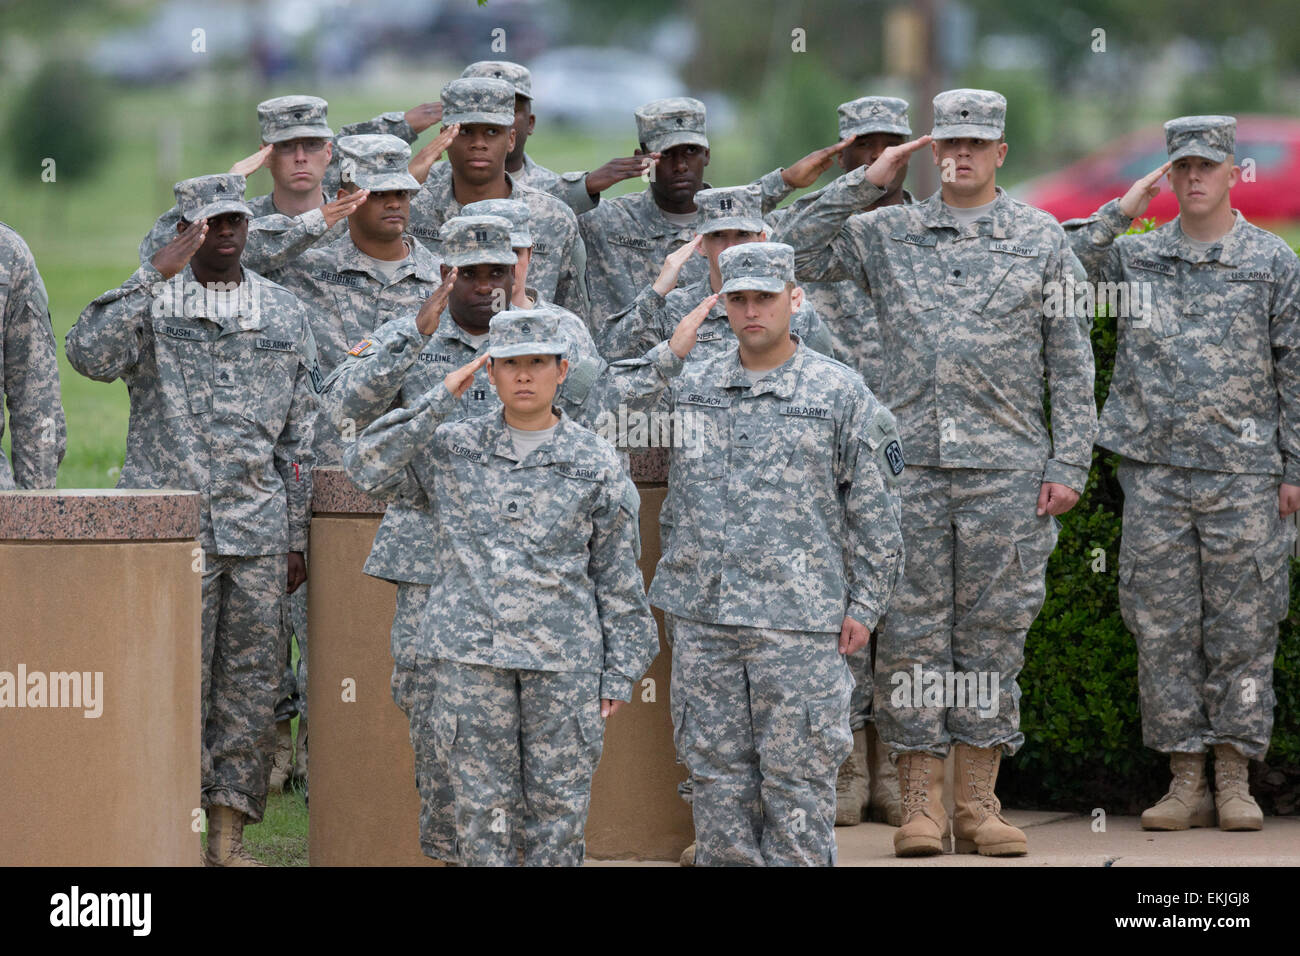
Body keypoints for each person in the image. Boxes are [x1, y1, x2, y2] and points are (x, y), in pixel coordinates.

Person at [774, 89, 1098, 857]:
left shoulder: (1041, 237)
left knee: (992, 636)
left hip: (1008, 470)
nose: (960, 155)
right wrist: (866, 177)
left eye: (976, 144)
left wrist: (1070, 459)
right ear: (930, 149)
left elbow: (1071, 359)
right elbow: (797, 245)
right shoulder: (888, 231)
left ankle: (978, 803)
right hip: (910, 467)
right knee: (914, 638)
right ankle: (919, 806)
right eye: (947, 142)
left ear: (1000, 153)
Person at [322, 214, 674, 862]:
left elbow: (616, 570)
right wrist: (443, 389)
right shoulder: (449, 435)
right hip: (457, 621)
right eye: (510, 365)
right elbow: (362, 455)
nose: (522, 375)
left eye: (537, 364)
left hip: (557, 645)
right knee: (468, 802)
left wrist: (622, 666)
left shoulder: (592, 457)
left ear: (559, 368)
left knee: (555, 817)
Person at [617, 241, 905, 865]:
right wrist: (668, 353)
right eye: (738, 298)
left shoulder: (838, 391)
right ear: (722, 302)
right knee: (716, 780)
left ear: (793, 300)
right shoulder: (690, 380)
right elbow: (599, 409)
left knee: (798, 780)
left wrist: (867, 603)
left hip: (800, 622)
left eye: (765, 298)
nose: (752, 311)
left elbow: (877, 510)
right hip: (704, 617)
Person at [66, 174, 320, 866]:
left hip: (258, 533)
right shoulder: (153, 304)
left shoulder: (284, 312)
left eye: (236, 218)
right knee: (169, 684)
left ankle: (228, 838)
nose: (227, 231)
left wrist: (298, 535)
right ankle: (164, 830)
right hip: (170, 535)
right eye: (209, 221)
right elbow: (87, 355)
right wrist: (150, 274)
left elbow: (303, 438)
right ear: (185, 228)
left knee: (251, 690)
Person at [1065, 115, 1300, 832]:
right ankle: (1183, 779)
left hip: (1246, 475)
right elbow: (1061, 266)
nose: (1194, 177)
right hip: (1159, 473)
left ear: (1234, 173)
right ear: (1168, 174)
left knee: (1245, 626)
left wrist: (1295, 466)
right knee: (1161, 625)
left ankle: (1235, 778)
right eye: (1181, 167)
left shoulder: (1273, 261)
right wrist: (1123, 209)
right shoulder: (1136, 260)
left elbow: (1295, 367)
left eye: (1207, 165)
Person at [259, 132, 439, 792]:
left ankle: (390, 777)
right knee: (323, 640)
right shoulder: (301, 271)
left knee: (399, 643)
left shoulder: (442, 279)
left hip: (419, 490)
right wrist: (311, 225)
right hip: (327, 488)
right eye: (379, 192)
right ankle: (320, 768)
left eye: (403, 193)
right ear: (345, 196)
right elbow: (213, 253)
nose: (396, 204)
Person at [767, 94, 917, 828]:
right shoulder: (822, 231)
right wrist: (844, 183)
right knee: (840, 609)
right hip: (828, 446)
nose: (875, 158)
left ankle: (893, 761)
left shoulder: (924, 225)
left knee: (906, 612)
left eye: (889, 144)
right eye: (861, 145)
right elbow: (787, 239)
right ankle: (846, 764)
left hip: (913, 446)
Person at [578, 96, 850, 352]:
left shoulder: (744, 226)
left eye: (691, 151)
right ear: (643, 157)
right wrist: (583, 188)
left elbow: (740, 210)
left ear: (707, 154)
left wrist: (786, 181)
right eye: (667, 154)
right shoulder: (609, 221)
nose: (681, 165)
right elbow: (543, 216)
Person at [139, 95, 448, 275]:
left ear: (330, 153)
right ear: (266, 154)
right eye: (286, 146)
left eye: (311, 145)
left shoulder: (357, 219)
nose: (300, 158)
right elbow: (156, 253)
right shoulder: (239, 221)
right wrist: (225, 186)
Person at [408, 78, 588, 318]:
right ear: (444, 138)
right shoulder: (411, 208)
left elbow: (571, 317)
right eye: (465, 131)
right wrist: (408, 182)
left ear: (511, 139)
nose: (478, 144)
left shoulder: (552, 218)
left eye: (492, 132)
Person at [603, 184, 834, 361]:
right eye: (718, 236)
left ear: (762, 239)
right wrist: (657, 292)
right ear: (700, 245)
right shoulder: (675, 310)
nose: (731, 247)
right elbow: (609, 357)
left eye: (742, 234)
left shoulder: (795, 311)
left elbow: (827, 382)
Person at [1, 222, 66, 489]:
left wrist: (34, 512)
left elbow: (37, 400)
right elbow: (37, 399)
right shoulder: (7, 250)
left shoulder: (8, 253)